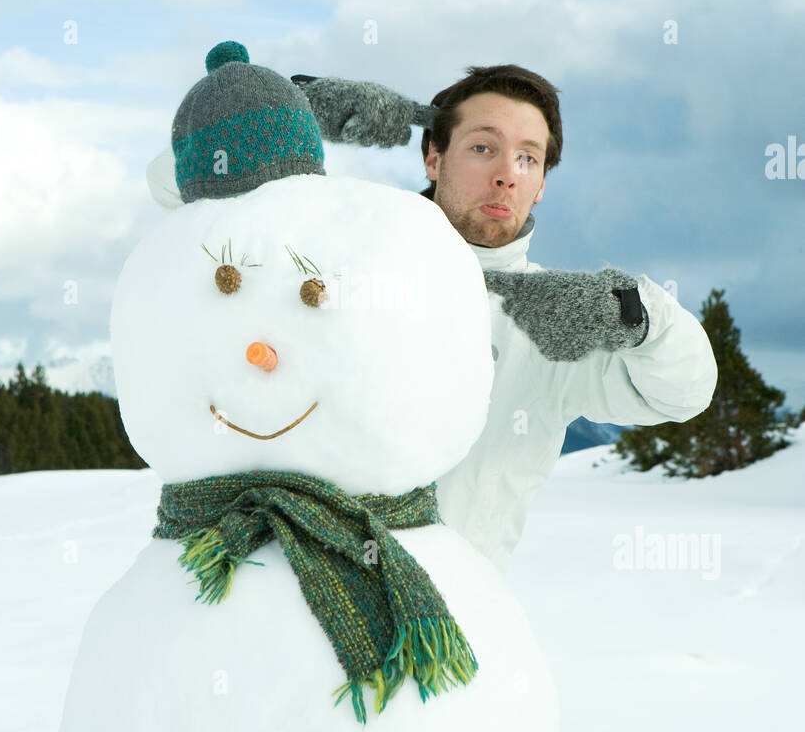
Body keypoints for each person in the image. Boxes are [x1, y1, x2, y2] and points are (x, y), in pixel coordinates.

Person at [147, 54, 718, 573]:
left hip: (443, 629)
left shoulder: (555, 324)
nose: (505, 174)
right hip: (288, 595)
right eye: (482, 147)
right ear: (432, 156)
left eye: (528, 158)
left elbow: (685, 390)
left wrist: (635, 314)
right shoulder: (341, 247)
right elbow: (180, 189)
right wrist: (286, 120)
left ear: (542, 184)